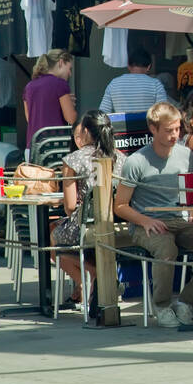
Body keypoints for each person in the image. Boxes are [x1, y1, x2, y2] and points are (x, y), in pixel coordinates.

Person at [113, 102, 193, 329]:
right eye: (169, 130)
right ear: (153, 128)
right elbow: (120, 205)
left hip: (180, 219)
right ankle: (161, 305)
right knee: (166, 248)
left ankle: (186, 302)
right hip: (146, 222)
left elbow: (190, 191)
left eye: (178, 129)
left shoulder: (186, 154)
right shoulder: (136, 161)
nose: (175, 135)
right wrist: (145, 221)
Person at [51, 111, 125, 313]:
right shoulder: (121, 158)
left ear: (84, 131)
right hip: (120, 226)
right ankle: (99, 277)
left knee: (51, 238)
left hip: (85, 227)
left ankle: (96, 274)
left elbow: (70, 206)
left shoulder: (73, 159)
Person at [23, 50, 77, 148]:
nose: (70, 74)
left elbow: (29, 118)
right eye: (69, 68)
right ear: (61, 62)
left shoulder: (29, 86)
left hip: (32, 146)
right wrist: (70, 105)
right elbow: (71, 118)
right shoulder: (60, 84)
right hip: (55, 145)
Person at [99, 48, 170, 115]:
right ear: (148, 67)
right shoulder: (156, 84)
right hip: (148, 127)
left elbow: (103, 112)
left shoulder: (114, 83)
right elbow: (163, 112)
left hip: (121, 127)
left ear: (128, 66)